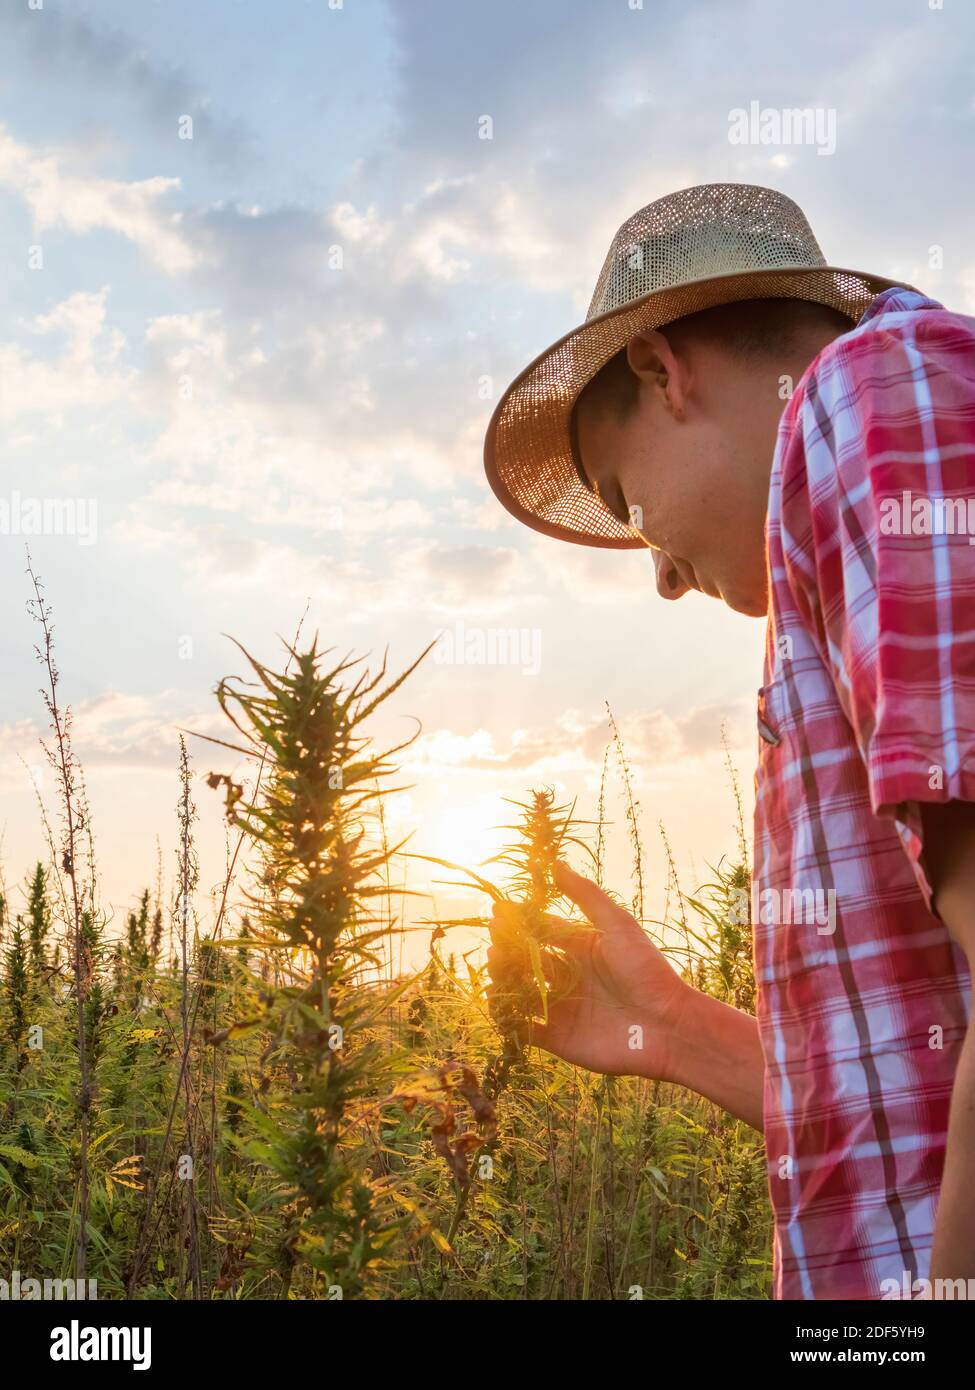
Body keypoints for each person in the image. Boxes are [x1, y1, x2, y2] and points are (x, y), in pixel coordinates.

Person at [482, 183, 975, 1300]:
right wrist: (674, 1025)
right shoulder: (845, 488)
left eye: (628, 498)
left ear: (664, 371)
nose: (656, 571)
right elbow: (905, 1092)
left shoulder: (875, 391)